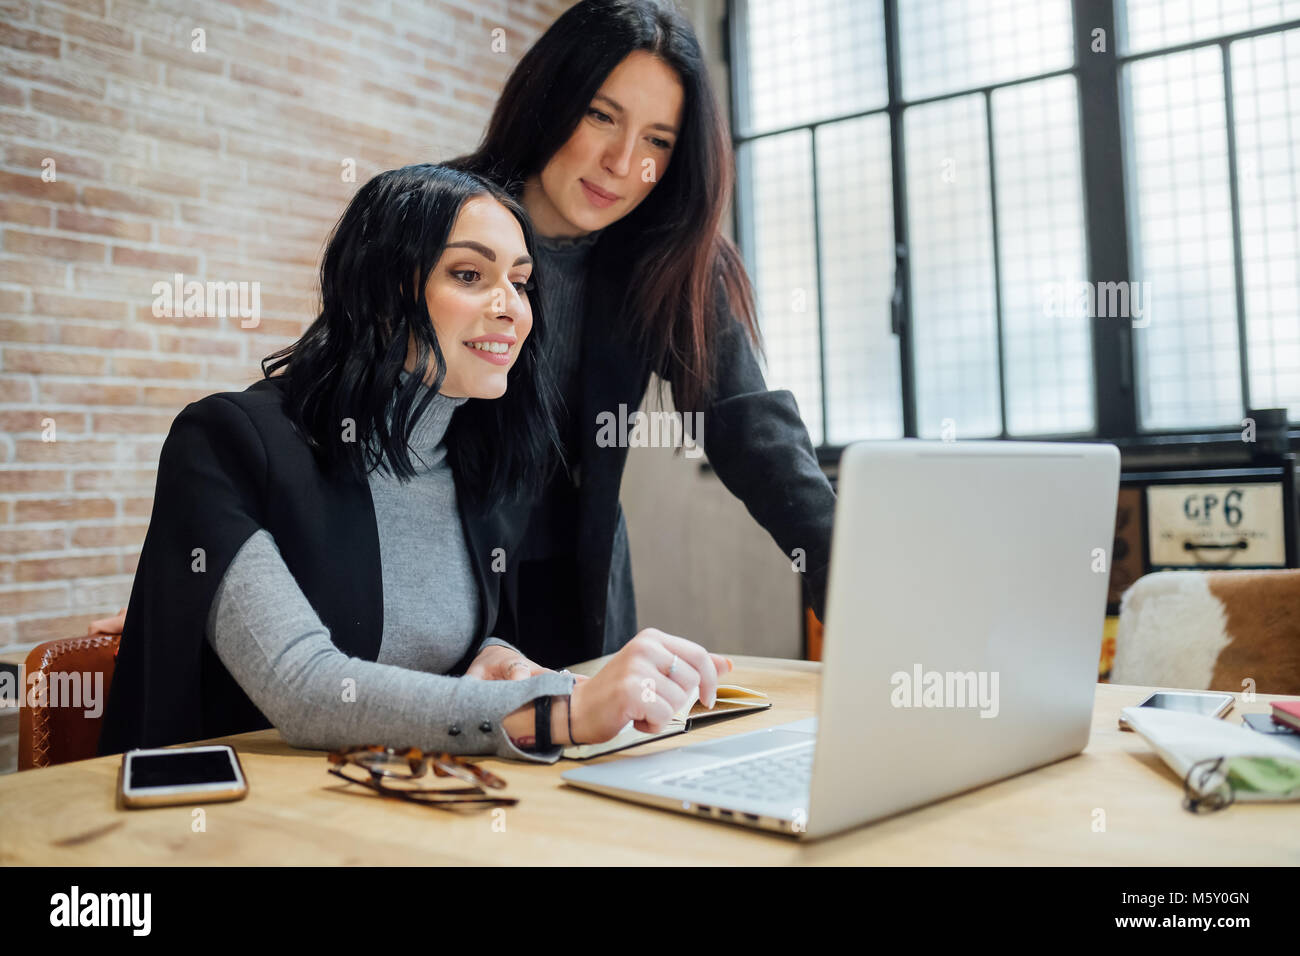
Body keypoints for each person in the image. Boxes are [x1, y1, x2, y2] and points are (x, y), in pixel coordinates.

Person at [97, 163, 731, 761]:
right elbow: (308, 688)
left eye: (520, 279)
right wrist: (557, 710)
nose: (510, 306)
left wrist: (499, 657)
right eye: (468, 275)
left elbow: (414, 635)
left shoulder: (475, 456)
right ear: (380, 293)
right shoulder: (225, 440)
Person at [444, 0, 837, 669]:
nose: (624, 163)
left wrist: (864, 592)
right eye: (602, 116)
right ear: (551, 94)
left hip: (580, 599)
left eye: (658, 140)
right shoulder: (439, 218)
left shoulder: (666, 256)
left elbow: (754, 434)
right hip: (441, 591)